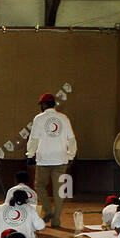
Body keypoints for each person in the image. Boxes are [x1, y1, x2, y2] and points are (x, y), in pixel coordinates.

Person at [26, 92, 77, 228]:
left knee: (39, 186)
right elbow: (71, 139)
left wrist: (30, 154)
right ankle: (56, 220)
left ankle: (48, 211)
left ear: (43, 105)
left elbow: (34, 139)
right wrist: (71, 155)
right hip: (61, 159)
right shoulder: (64, 118)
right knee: (59, 191)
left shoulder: (39, 119)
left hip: (44, 159)